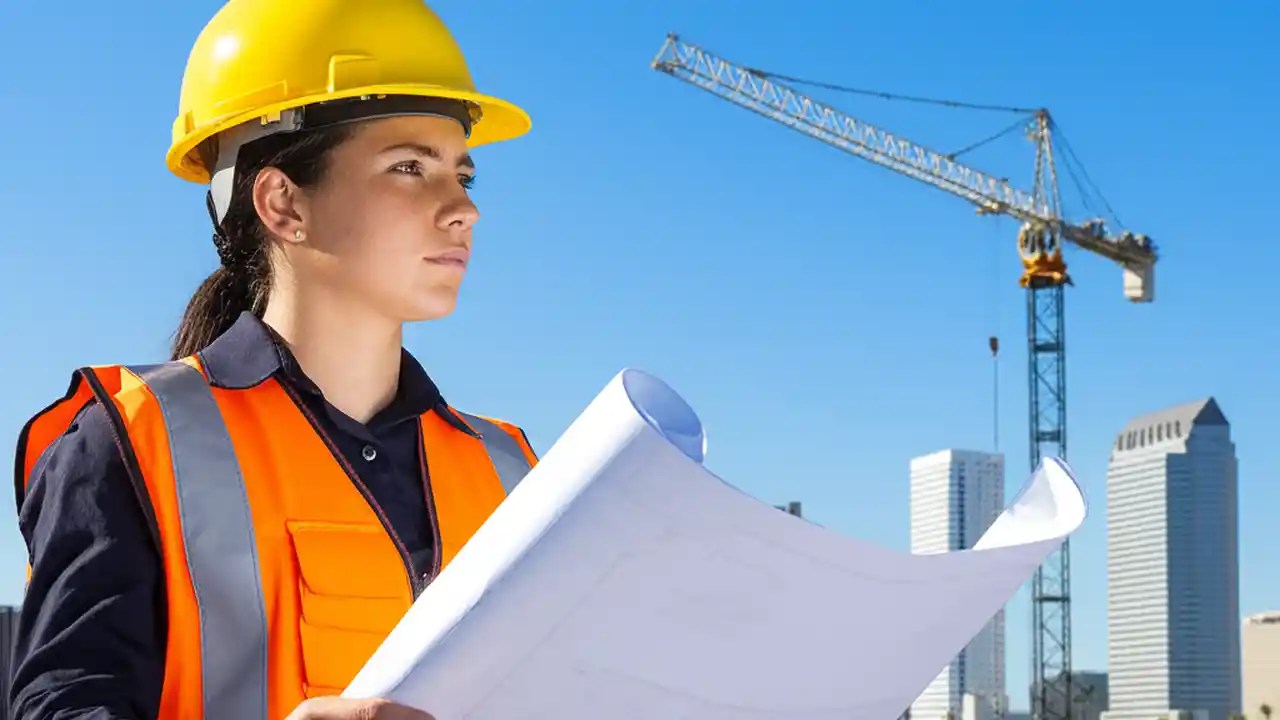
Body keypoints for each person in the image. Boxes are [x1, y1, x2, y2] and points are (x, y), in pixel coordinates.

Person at [9, 1, 537, 718]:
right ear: (283, 202)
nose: (462, 209)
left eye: (464, 177)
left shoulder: (513, 472)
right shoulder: (131, 440)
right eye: (409, 167)